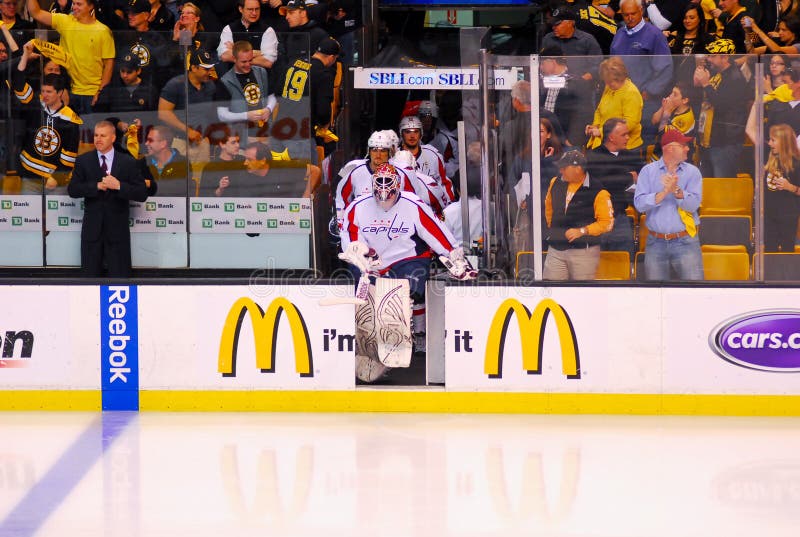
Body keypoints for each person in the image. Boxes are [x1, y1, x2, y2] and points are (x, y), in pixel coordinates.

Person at [339, 162, 476, 359]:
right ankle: (368, 335)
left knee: (410, 290)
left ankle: (417, 333)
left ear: (398, 186)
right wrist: (360, 256)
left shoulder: (413, 204)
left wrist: (453, 254)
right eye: (380, 184)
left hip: (407, 257)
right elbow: (351, 238)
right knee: (364, 295)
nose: (384, 194)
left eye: (389, 186)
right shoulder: (357, 206)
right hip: (372, 261)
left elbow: (434, 231)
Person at [67, 120, 148, 277]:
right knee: (90, 279)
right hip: (92, 232)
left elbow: (141, 193)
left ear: (113, 138)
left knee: (120, 278)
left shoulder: (128, 161)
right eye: (96, 135)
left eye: (103, 136)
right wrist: (95, 186)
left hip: (118, 233)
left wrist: (119, 186)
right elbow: (73, 190)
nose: (98, 139)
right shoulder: (83, 161)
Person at [11, 40, 81, 193]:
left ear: (60, 93)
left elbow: (69, 155)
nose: (45, 95)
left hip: (55, 181)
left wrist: (56, 177)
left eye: (49, 92)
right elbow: (18, 84)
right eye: (43, 91)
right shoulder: (36, 104)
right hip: (30, 176)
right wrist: (25, 56)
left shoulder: (70, 119)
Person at [633, 129, 704, 281]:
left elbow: (693, 205)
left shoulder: (693, 172)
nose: (688, 148)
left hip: (685, 241)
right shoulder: (648, 171)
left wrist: (675, 190)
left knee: (694, 290)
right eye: (683, 145)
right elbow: (639, 204)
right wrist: (664, 192)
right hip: (655, 242)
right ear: (670, 148)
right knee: (655, 291)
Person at [26, 0, 115, 115]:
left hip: (93, 93)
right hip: (68, 91)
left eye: (79, 4)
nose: (74, 7)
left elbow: (109, 65)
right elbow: (36, 13)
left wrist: (101, 92)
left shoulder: (103, 31)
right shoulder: (65, 21)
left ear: (91, 6)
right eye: (74, 3)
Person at [609, 0, 673, 146]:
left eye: (633, 13)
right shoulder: (619, 34)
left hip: (645, 103)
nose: (630, 18)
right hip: (621, 101)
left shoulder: (655, 34)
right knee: (621, 144)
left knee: (643, 144)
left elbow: (665, 68)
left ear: (641, 11)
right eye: (626, 15)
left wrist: (649, 92)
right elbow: (612, 65)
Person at [543, 149, 614, 280]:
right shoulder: (555, 182)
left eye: (564, 168)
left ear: (578, 169)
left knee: (582, 291)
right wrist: (553, 230)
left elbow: (607, 223)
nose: (561, 171)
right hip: (555, 249)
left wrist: (583, 231)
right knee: (551, 289)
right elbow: (549, 208)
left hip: (583, 252)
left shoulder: (598, 191)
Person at [693, 38, 750, 178]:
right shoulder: (717, 74)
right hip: (709, 140)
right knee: (708, 184)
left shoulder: (735, 78)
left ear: (725, 57)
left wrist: (706, 84)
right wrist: (699, 83)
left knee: (722, 184)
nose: (709, 59)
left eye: (713, 56)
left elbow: (723, 105)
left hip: (725, 142)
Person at [587, 118, 643, 255]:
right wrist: (629, 177)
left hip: (620, 216)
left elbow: (643, 178)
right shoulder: (594, 156)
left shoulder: (631, 157)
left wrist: (618, 178)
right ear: (611, 137)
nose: (628, 138)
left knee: (624, 259)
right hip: (597, 218)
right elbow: (601, 183)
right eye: (624, 135)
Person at [158, 47, 217, 174]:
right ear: (194, 68)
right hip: (180, 142)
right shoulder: (175, 85)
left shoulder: (210, 86)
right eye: (206, 69)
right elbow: (163, 113)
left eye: (210, 69)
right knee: (179, 178)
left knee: (203, 180)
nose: (209, 72)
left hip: (201, 142)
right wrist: (188, 131)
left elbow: (210, 114)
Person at [215, 40, 276, 145]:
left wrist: (268, 109)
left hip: (265, 134)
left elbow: (271, 96)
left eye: (250, 60)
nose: (248, 64)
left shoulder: (261, 72)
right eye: (243, 62)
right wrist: (246, 116)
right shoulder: (225, 81)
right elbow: (222, 115)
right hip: (242, 138)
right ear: (234, 59)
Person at [214, 141, 320, 197]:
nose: (245, 163)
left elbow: (315, 170)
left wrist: (305, 199)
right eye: (246, 159)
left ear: (263, 160)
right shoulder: (243, 176)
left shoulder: (282, 168)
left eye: (250, 159)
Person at [538, 44, 594, 148]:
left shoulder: (578, 83)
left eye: (542, 63)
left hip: (564, 141)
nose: (540, 67)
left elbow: (584, 114)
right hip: (543, 138)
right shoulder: (542, 82)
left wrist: (572, 141)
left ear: (552, 62)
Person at [585, 57, 643, 151]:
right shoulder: (609, 87)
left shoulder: (631, 93)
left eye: (610, 82)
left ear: (620, 77)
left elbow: (630, 123)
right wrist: (595, 126)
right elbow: (599, 110)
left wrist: (600, 132)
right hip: (607, 143)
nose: (608, 84)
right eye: (606, 81)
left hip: (626, 148)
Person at [398, 115, 455, 203]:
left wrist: (448, 205)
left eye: (416, 131)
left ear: (421, 134)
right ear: (401, 134)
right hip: (404, 206)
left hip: (431, 207)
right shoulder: (393, 157)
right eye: (408, 132)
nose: (412, 136)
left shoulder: (433, 155)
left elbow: (444, 183)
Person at [763, 123, 800, 251]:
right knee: (769, 251)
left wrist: (790, 187)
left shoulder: (797, 164)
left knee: (787, 251)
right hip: (769, 215)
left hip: (788, 216)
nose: (769, 143)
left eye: (773, 140)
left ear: (784, 143)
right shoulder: (769, 159)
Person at [540, 5, 602, 80]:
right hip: (554, 82)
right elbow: (541, 62)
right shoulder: (548, 39)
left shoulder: (587, 40)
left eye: (557, 24)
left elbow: (597, 65)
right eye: (553, 24)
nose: (553, 27)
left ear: (570, 23)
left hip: (581, 83)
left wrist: (582, 80)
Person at [216, 0, 278, 73]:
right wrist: (259, 53)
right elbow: (224, 55)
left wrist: (235, 50)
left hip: (259, 76)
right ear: (240, 9)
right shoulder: (229, 28)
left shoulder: (268, 30)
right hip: (234, 76)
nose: (254, 13)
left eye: (257, 9)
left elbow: (268, 62)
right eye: (250, 9)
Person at [143, 124, 188, 196]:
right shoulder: (143, 162)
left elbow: (181, 187)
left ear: (163, 144)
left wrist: (149, 184)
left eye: (150, 140)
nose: (146, 143)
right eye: (146, 140)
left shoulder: (183, 162)